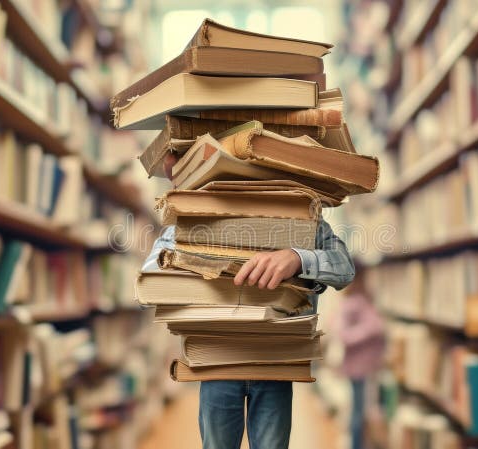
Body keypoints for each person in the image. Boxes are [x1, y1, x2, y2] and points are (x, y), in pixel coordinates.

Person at [141, 152, 355, 449]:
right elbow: (148, 279)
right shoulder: (193, 218)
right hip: (218, 361)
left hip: (275, 362)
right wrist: (200, 261)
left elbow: (344, 268)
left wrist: (297, 257)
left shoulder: (304, 219)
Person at [334, 264, 385, 449]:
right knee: (358, 414)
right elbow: (343, 334)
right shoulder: (352, 303)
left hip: (366, 367)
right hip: (358, 368)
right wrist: (371, 329)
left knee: (362, 411)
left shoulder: (363, 300)